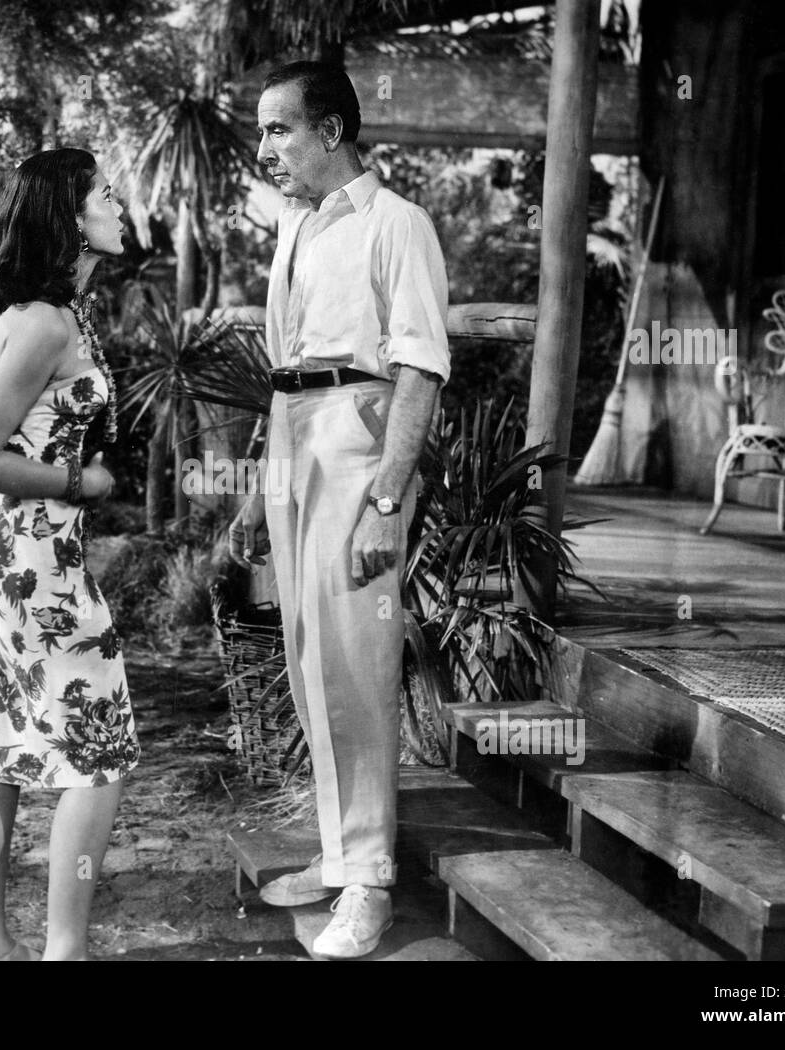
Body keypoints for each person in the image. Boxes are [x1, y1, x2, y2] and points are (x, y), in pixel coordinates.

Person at [229, 62, 450, 959]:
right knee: (310, 655)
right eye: (262, 133)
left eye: (279, 131)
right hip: (294, 436)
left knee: (357, 660)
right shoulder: (298, 227)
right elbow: (287, 367)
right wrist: (259, 487)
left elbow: (420, 367)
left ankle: (370, 884)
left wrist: (387, 498)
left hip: (360, 443)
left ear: (330, 131)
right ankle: (336, 853)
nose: (266, 150)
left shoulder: (398, 225)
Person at [0, 148, 138, 961]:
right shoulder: (44, 323)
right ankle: (64, 950)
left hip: (24, 548)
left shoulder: (55, 312)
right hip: (31, 550)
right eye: (105, 193)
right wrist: (83, 482)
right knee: (99, 749)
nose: (120, 203)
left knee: (3, 738)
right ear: (69, 218)